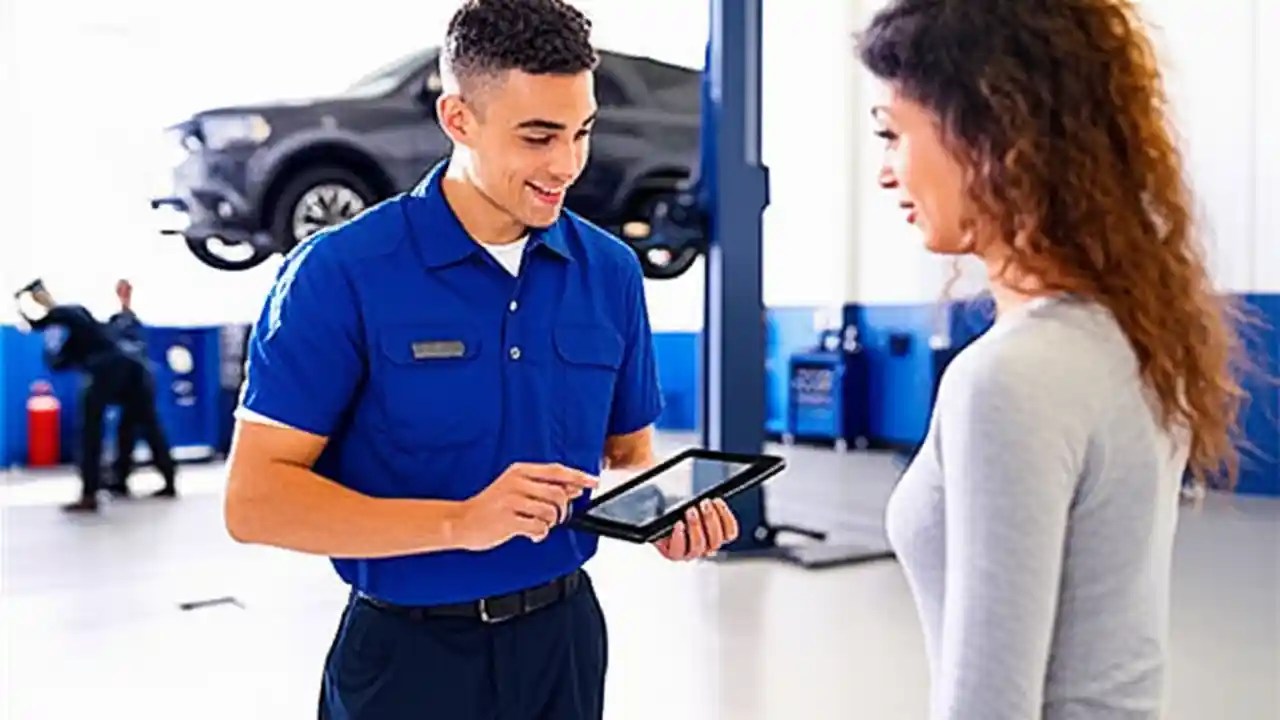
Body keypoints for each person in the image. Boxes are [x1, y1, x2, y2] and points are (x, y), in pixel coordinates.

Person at [223, 1, 740, 718]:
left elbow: (627, 454)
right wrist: (459, 523)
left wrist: (670, 516)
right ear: (458, 119)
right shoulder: (341, 273)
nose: (565, 164)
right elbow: (255, 502)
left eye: (581, 132)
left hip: (564, 644)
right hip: (408, 660)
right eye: (537, 137)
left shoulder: (610, 272)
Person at [858, 1, 1251, 717]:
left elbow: (991, 702)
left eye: (891, 135)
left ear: (988, 133)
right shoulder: (1128, 337)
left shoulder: (1009, 378)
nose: (885, 173)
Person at [16, 280, 178, 511]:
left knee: (91, 429)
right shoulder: (78, 326)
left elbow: (48, 342)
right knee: (144, 424)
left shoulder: (69, 315)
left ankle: (90, 493)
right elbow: (57, 357)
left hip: (107, 369)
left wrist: (27, 311)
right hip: (136, 371)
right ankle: (159, 479)